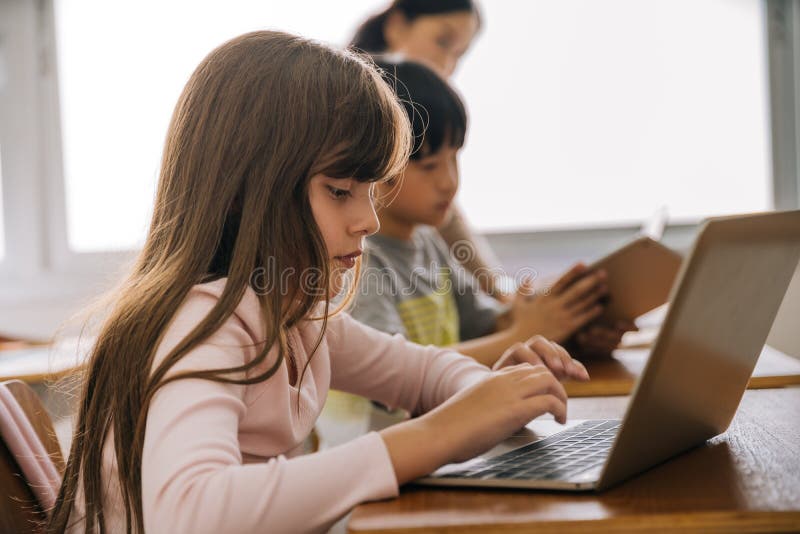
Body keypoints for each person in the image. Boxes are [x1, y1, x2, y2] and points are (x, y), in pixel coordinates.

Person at [47, 31, 589, 534]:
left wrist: (489, 393)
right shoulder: (204, 323)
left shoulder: (297, 316)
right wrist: (436, 435)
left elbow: (422, 372)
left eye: (371, 191)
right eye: (339, 192)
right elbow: (190, 511)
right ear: (244, 191)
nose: (370, 221)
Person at [351, 2, 634, 354]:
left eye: (455, 160)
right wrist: (523, 333)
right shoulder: (358, 261)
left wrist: (561, 322)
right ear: (377, 168)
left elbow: (487, 323)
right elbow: (399, 374)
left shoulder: (427, 242)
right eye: (430, 166)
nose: (449, 183)